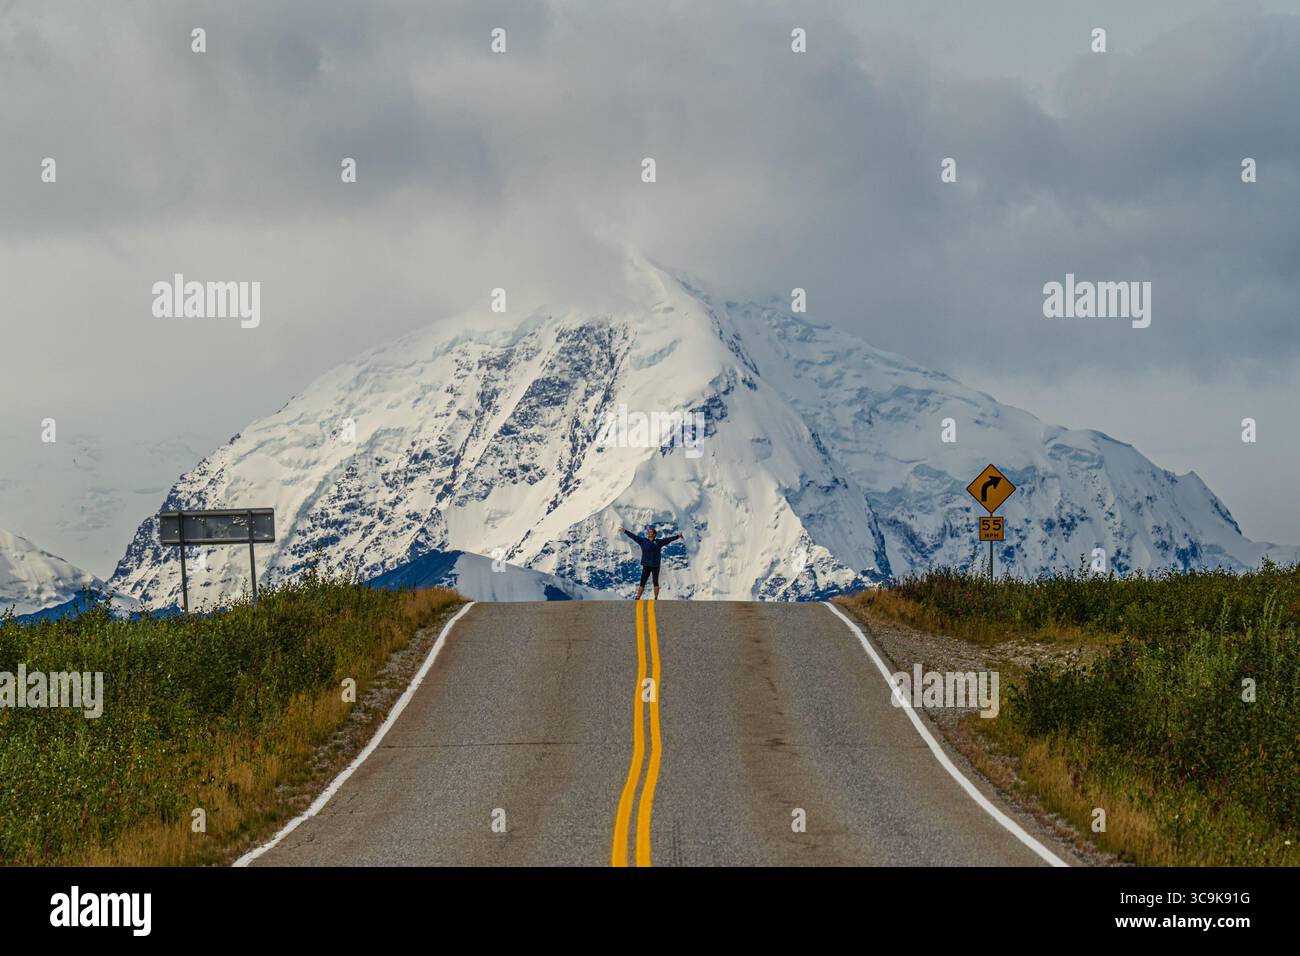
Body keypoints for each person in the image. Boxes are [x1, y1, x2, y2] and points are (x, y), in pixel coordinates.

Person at [619, 526, 683, 600]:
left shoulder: (658, 542)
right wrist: (625, 531)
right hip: (646, 565)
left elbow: (668, 540)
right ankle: (638, 598)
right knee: (642, 582)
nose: (649, 532)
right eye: (648, 532)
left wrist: (678, 536)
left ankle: (656, 598)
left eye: (651, 532)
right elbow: (634, 537)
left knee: (655, 582)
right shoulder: (643, 541)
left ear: (654, 534)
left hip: (655, 565)